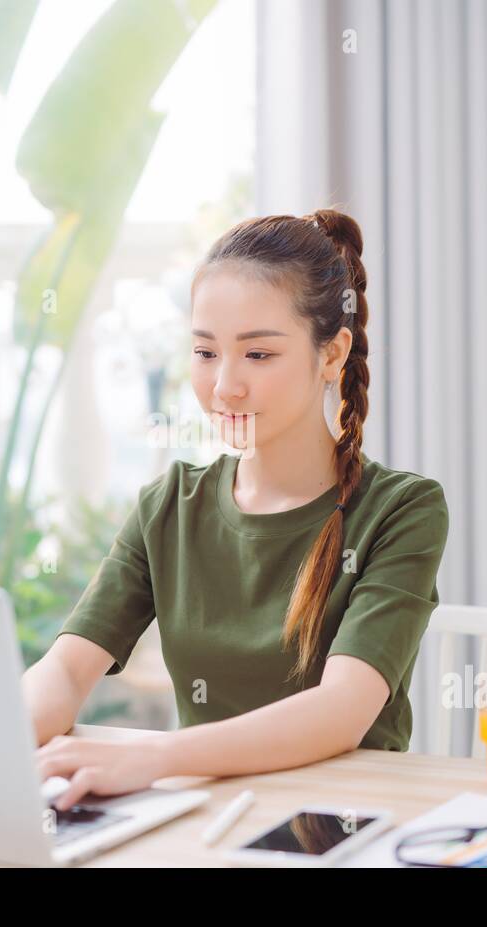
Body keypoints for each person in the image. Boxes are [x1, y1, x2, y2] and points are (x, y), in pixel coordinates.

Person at [24, 207, 449, 810]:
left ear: (331, 355)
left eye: (258, 355)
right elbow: (66, 671)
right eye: (204, 352)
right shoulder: (170, 506)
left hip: (339, 825)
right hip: (201, 817)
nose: (224, 386)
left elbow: (340, 713)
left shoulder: (402, 510)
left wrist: (150, 758)